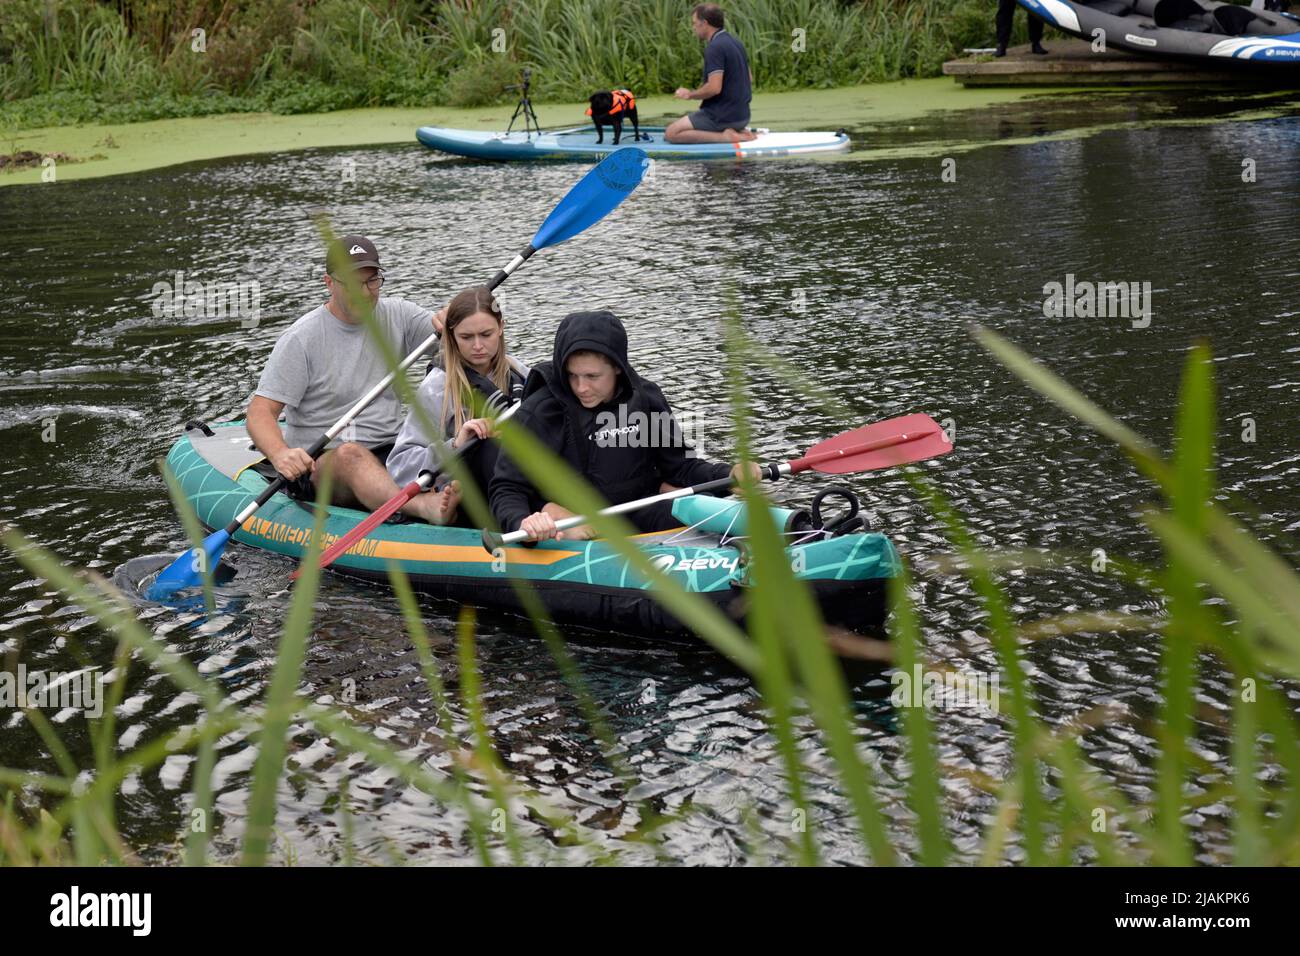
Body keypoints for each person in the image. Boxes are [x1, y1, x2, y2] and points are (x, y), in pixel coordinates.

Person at [490, 310, 759, 543]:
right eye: (573, 375)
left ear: (617, 368)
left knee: (709, 504)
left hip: (635, 510)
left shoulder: (646, 399)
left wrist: (729, 475)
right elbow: (507, 489)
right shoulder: (540, 412)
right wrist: (523, 522)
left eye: (593, 376)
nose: (581, 387)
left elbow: (682, 467)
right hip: (569, 523)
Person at [247, 234, 459, 524]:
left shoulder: (400, 315)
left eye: (372, 281)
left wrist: (460, 322)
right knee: (350, 455)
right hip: (326, 463)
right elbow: (260, 413)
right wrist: (280, 454)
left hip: (391, 451)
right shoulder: (301, 338)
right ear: (329, 283)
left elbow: (459, 343)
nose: (366, 292)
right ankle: (422, 506)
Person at [386, 286, 529, 512]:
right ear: (452, 336)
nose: (478, 346)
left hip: (520, 479)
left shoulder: (520, 373)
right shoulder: (436, 387)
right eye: (466, 337)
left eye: (486, 334)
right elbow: (399, 465)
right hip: (470, 490)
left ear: (501, 328)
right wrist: (456, 444)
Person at [665, 4, 756, 145]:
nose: (693, 28)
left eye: (694, 23)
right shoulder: (736, 42)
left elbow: (714, 88)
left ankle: (726, 138)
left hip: (722, 116)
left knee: (672, 133)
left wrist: (690, 94)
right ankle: (735, 131)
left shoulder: (715, 47)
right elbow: (748, 78)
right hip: (743, 117)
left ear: (705, 23)